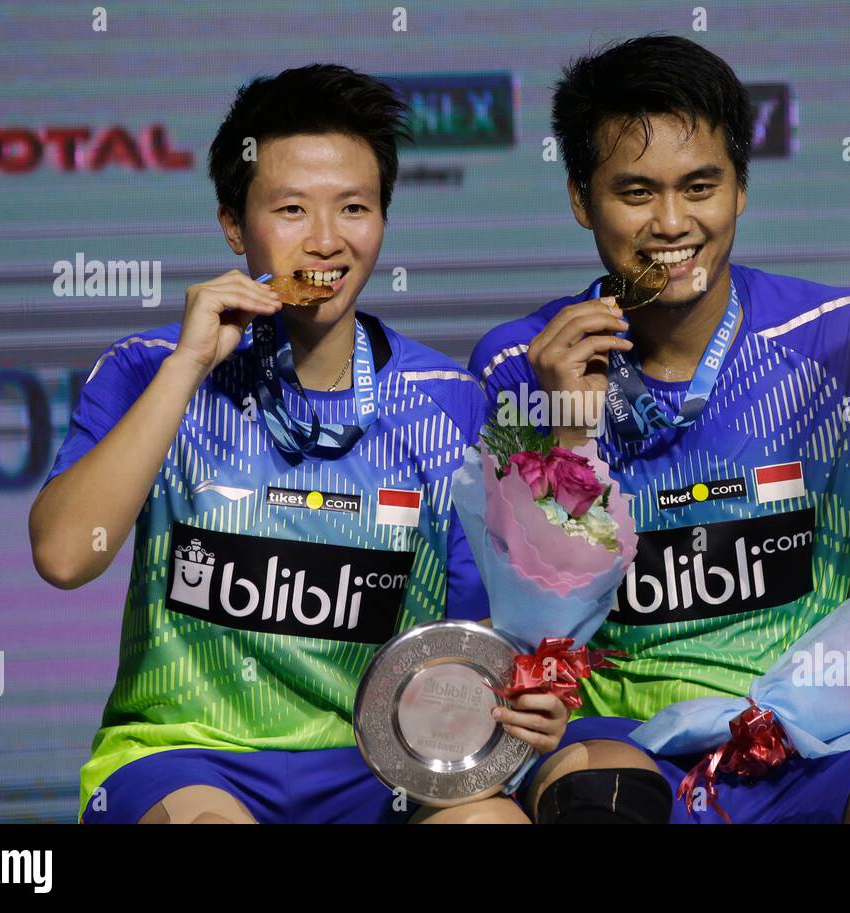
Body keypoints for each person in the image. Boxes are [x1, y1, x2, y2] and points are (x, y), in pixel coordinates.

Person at [466, 36, 850, 824]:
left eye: (701, 185)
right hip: (619, 739)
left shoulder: (844, 341)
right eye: (637, 191)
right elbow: (523, 634)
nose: (673, 223)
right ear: (582, 199)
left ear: (741, 188)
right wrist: (565, 438)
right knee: (600, 803)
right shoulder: (522, 364)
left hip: (812, 737)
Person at [29, 64, 566, 825]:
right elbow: (62, 555)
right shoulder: (148, 367)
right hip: (189, 759)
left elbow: (472, 639)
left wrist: (528, 700)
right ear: (232, 224)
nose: (325, 240)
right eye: (290, 208)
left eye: (354, 206)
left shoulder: (452, 405)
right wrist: (188, 368)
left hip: (383, 767)